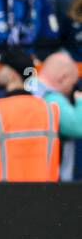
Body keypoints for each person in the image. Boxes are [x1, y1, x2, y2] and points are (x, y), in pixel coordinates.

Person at [0, 48, 61, 182]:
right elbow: (58, 156)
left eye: (1, 67)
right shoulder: (50, 111)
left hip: (2, 197)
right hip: (45, 197)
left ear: (12, 74)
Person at [38, 50, 82, 180]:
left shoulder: (29, 91)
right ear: (62, 77)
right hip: (53, 180)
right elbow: (77, 127)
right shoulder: (52, 98)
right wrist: (80, 101)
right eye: (72, 84)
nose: (72, 89)